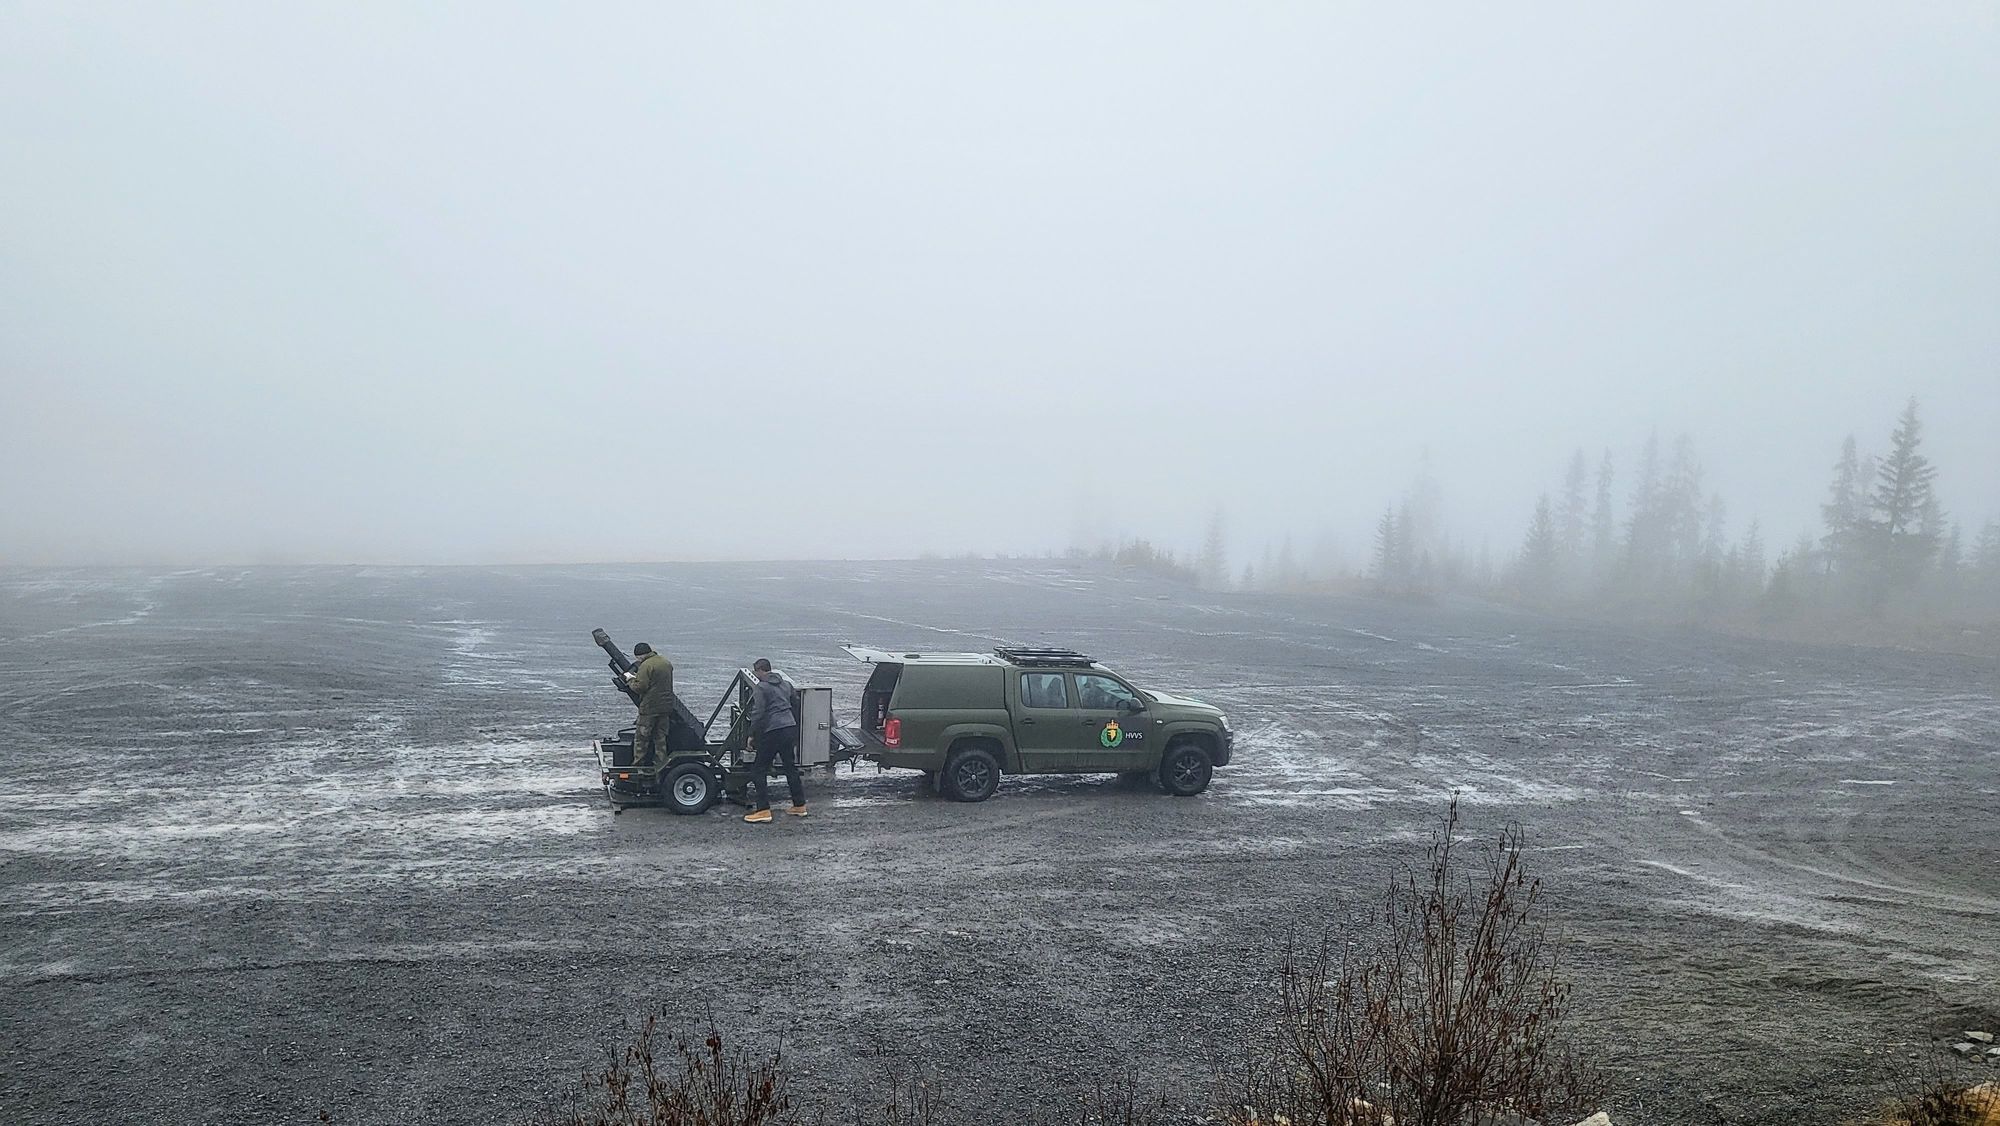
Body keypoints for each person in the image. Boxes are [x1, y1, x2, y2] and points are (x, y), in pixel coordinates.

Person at [743, 658, 807, 823]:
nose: (756, 675)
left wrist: (751, 734)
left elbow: (758, 712)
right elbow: (796, 704)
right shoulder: (786, 685)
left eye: (756, 672)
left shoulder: (761, 687)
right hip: (789, 727)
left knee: (759, 769)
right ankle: (799, 805)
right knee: (790, 767)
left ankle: (763, 810)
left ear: (760, 670)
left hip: (773, 730)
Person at [625, 642, 674, 770]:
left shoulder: (646, 665)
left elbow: (640, 687)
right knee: (660, 738)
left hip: (649, 707)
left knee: (642, 738)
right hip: (665, 706)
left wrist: (630, 679)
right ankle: (660, 765)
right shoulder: (665, 662)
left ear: (640, 655)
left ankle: (638, 766)